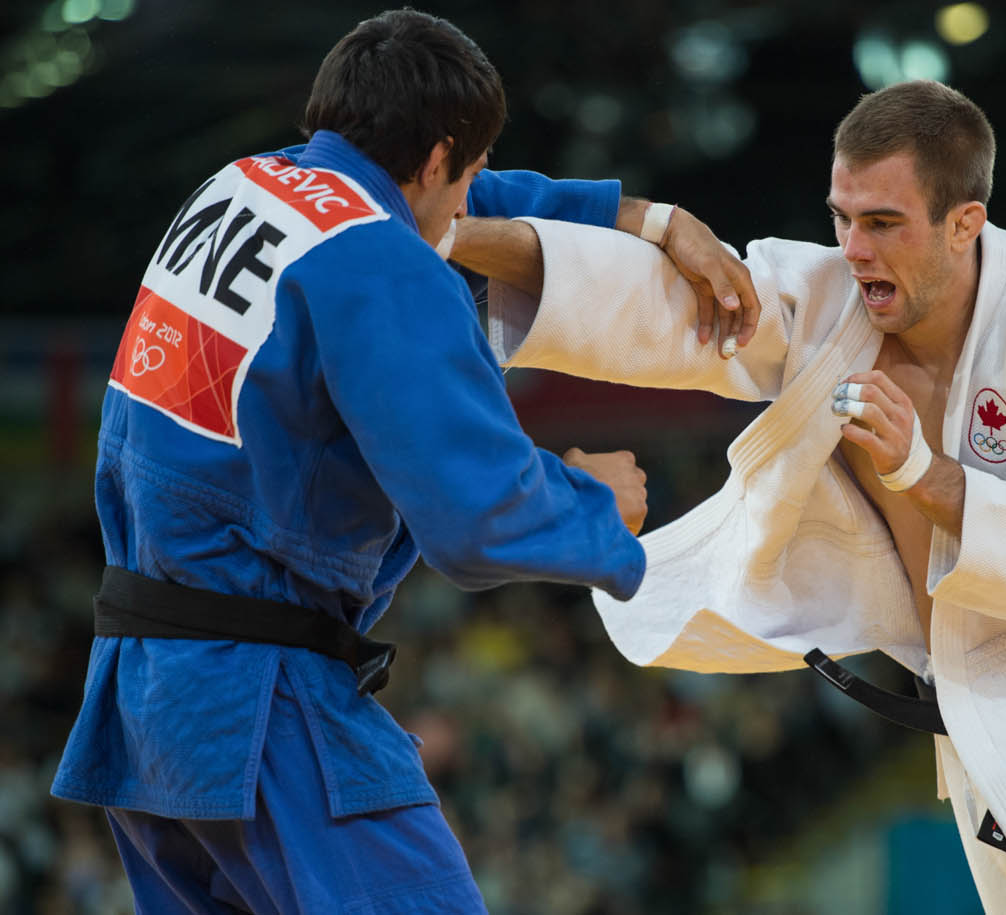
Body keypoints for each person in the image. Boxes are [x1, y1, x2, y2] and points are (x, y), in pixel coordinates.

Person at [449, 80, 1006, 913]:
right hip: (973, 722)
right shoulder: (826, 303)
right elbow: (651, 305)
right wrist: (442, 238)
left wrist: (923, 474)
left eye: (883, 223)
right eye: (841, 217)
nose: (853, 248)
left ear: (964, 222)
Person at [50, 9, 759, 912]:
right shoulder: (379, 263)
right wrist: (596, 504)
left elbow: (459, 208)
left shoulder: (243, 187)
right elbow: (473, 516)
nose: (467, 201)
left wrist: (650, 219)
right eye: (461, 173)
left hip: (144, 706)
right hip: (259, 705)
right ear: (434, 158)